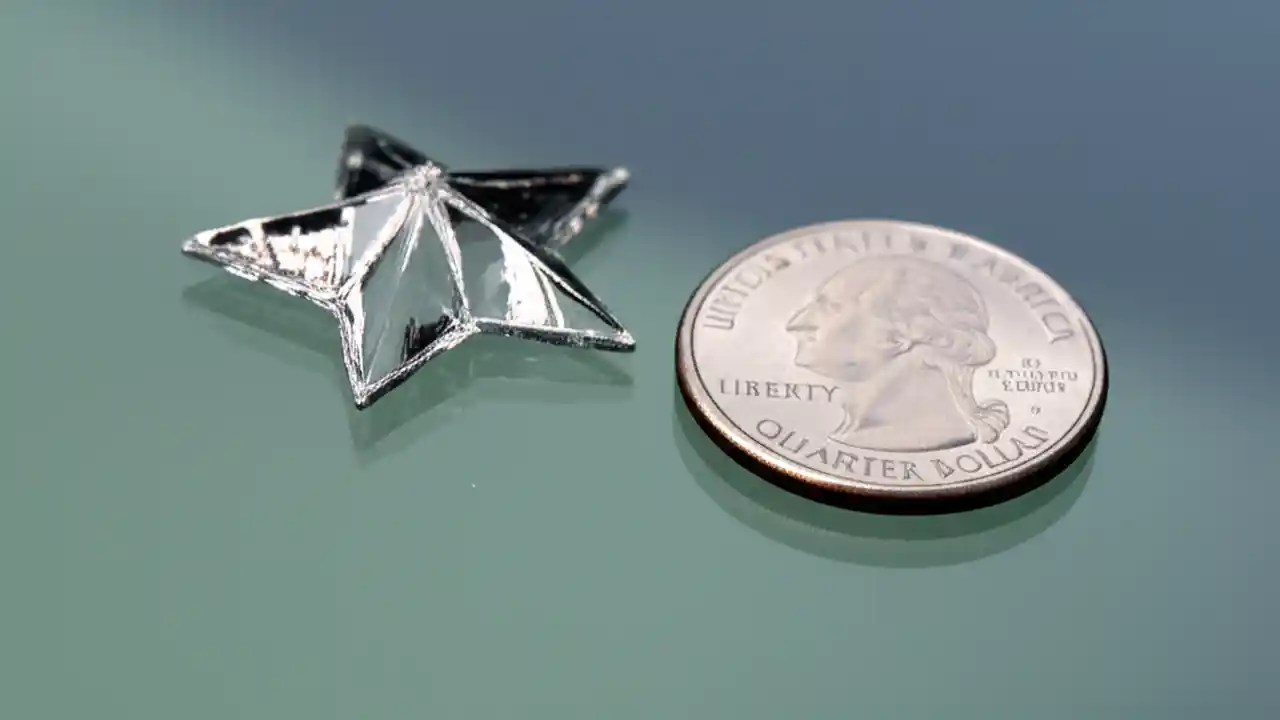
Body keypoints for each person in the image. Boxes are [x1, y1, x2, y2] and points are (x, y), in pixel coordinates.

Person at [785, 255, 1009, 452]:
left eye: (830, 307)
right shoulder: (857, 435)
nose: (797, 323)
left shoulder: (902, 437)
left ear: (898, 336)